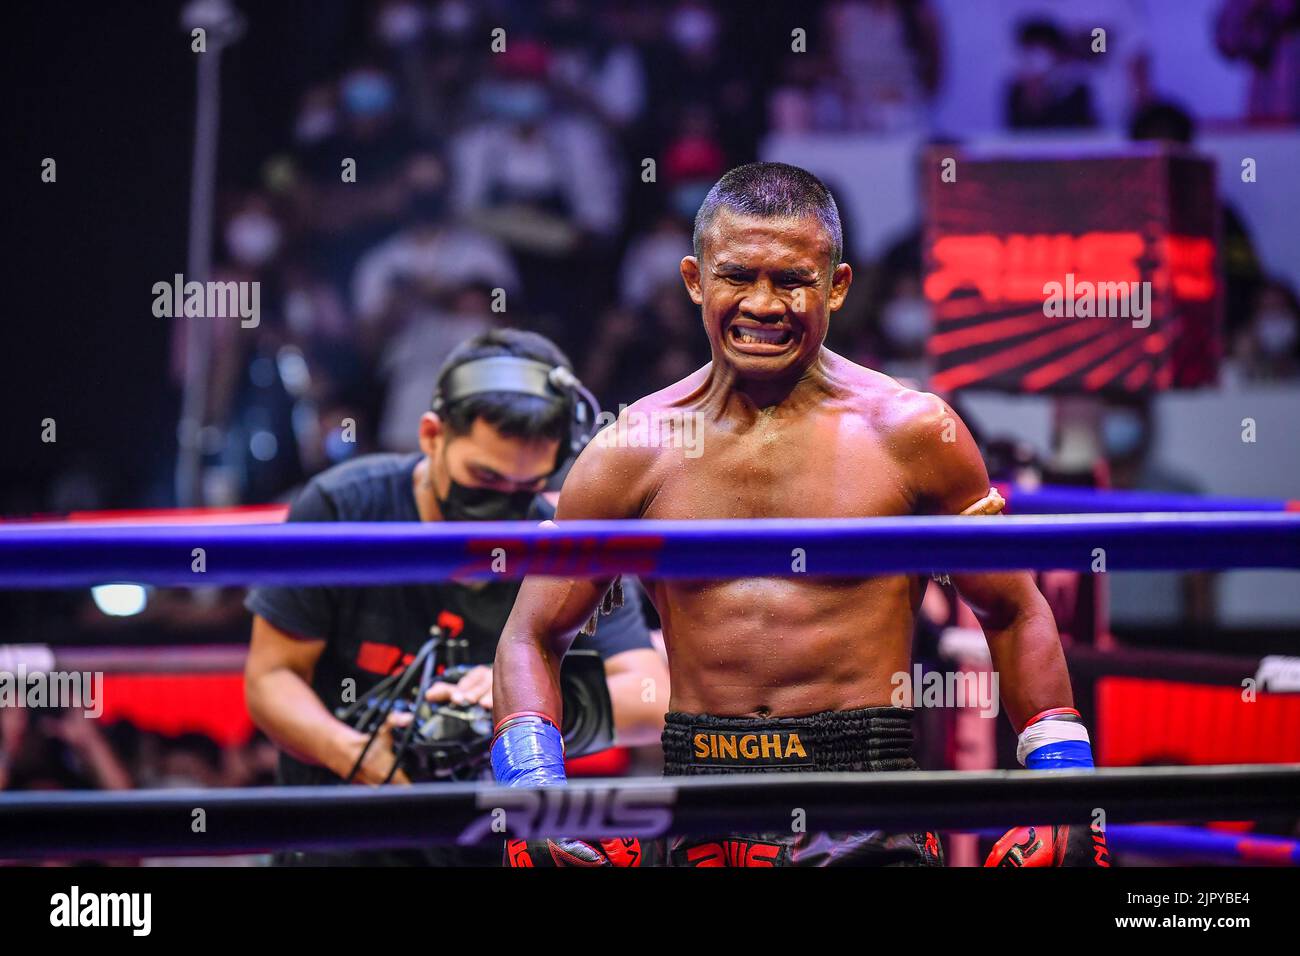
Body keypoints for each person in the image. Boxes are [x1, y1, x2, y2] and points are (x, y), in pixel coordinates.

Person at [491, 163, 1106, 867]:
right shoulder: (632, 449)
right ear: (695, 279)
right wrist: (532, 788)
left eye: (791, 281)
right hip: (704, 810)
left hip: (867, 808)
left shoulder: (913, 432)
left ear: (836, 286)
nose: (762, 304)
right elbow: (532, 633)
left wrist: (1063, 782)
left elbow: (1014, 609)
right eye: (736, 276)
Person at [244, 328, 668, 866]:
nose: (501, 506)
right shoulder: (343, 509)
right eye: (483, 479)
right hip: (340, 840)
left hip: (485, 852)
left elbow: (649, 697)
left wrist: (517, 700)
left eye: (525, 488)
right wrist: (357, 754)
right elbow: (271, 678)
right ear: (431, 435)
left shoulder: (560, 544)